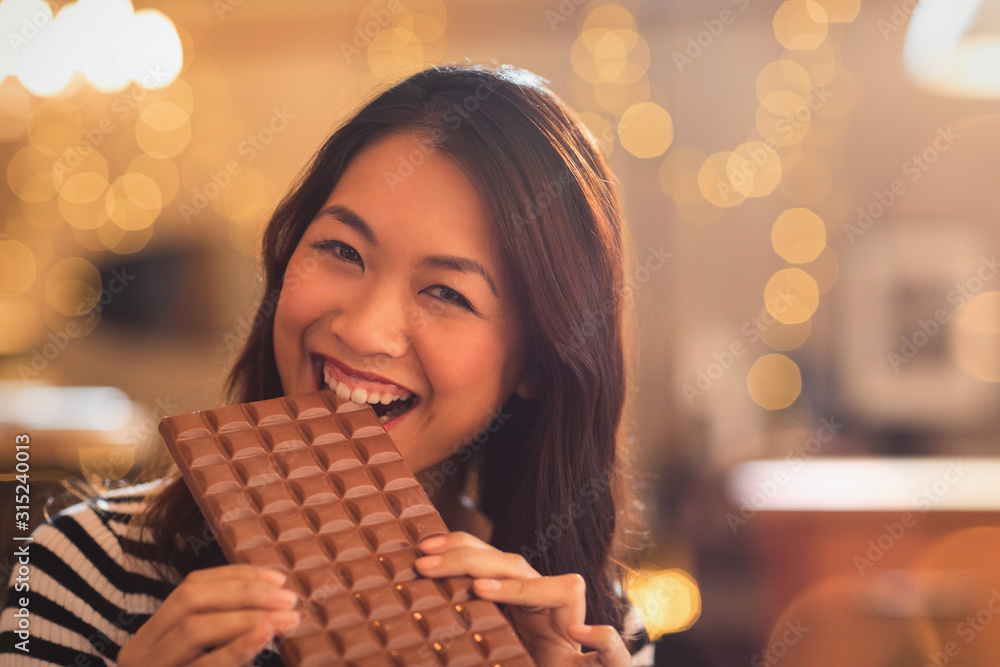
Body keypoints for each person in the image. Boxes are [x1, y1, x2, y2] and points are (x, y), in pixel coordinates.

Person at [0, 64, 653, 666]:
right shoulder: (86, 571)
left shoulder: (588, 628)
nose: (363, 328)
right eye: (341, 248)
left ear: (537, 357)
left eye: (447, 292)